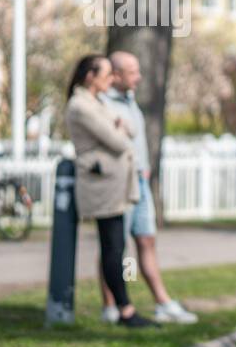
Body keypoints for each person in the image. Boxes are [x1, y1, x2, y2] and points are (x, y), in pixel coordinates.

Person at [99, 52, 198, 324]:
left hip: (140, 181)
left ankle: (162, 302)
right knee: (114, 246)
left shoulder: (130, 101)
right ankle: (111, 306)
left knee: (146, 239)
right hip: (120, 183)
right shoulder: (103, 103)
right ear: (116, 74)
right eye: (132, 72)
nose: (139, 77)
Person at [65, 54, 156, 328]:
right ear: (90, 76)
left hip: (113, 183)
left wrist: (120, 128)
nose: (110, 80)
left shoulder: (94, 103)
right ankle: (123, 310)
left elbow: (127, 129)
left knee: (115, 246)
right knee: (113, 247)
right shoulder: (81, 105)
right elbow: (117, 141)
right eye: (106, 75)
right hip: (102, 186)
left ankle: (122, 307)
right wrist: (118, 129)